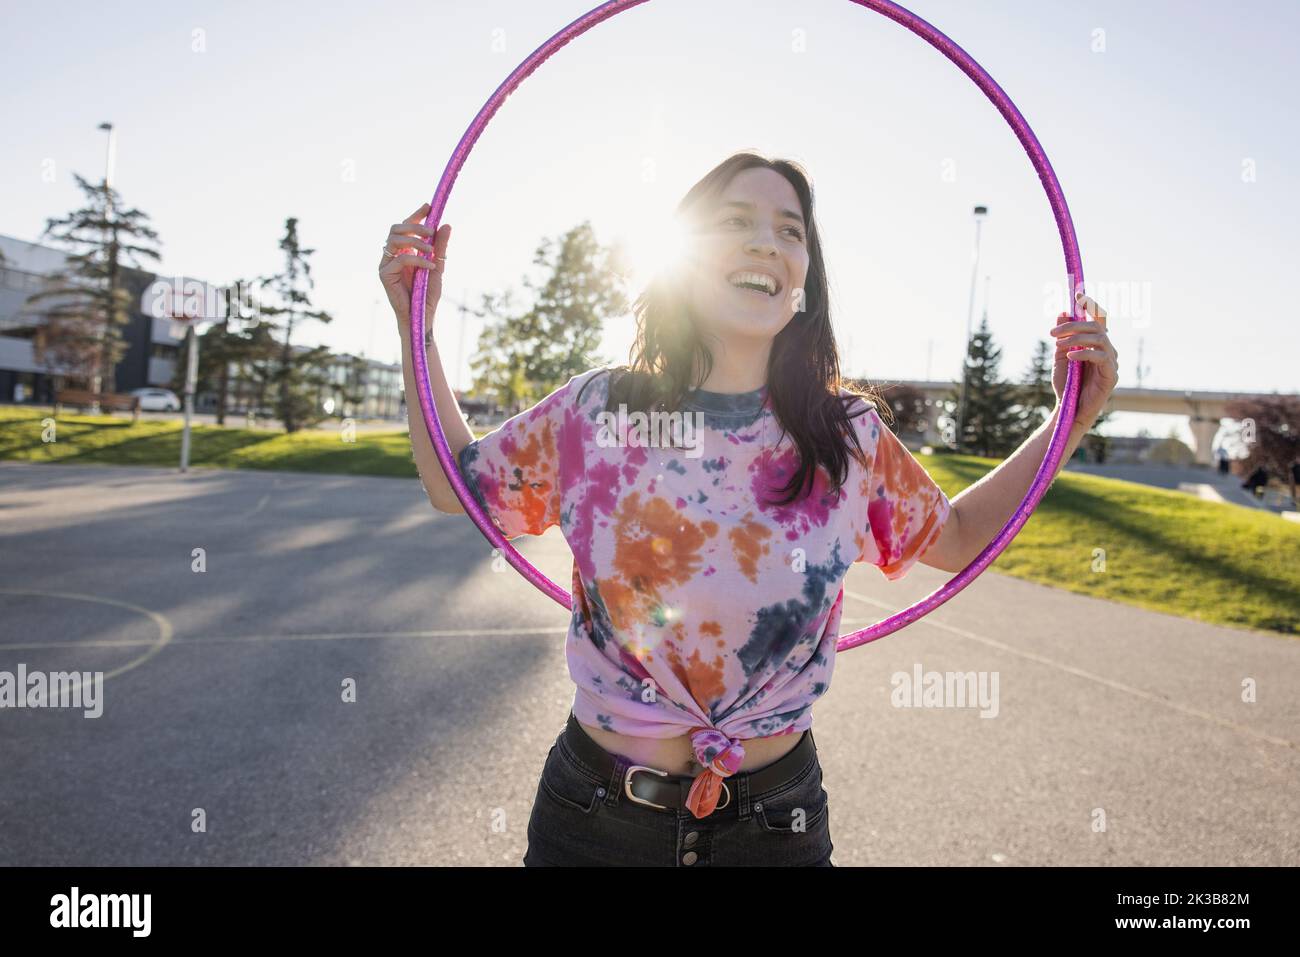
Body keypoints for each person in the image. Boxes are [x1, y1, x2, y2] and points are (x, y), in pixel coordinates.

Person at [379, 151, 1119, 867]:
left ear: (805, 278)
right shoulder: (598, 411)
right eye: (736, 221)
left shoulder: (847, 437)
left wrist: (1070, 420)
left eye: (790, 231)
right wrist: (418, 326)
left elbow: (956, 538)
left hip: (776, 826)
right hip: (595, 822)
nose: (766, 242)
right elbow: (455, 484)